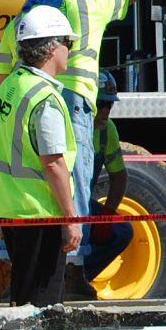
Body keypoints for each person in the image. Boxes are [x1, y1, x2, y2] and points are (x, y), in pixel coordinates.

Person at [0, 0, 166, 270]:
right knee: (76, 178)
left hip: (28, 100)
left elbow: (5, 75)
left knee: (33, 179)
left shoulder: (21, 20)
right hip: (74, 103)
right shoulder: (92, 4)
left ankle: (22, 260)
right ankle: (75, 265)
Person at [0, 5, 82, 306]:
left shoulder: (12, 85)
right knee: (42, 306)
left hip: (14, 208)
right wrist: (71, 218)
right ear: (52, 47)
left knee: (23, 297)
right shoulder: (45, 97)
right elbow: (53, 163)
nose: (70, 50)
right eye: (68, 43)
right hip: (40, 210)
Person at [64, 73, 132, 299]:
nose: (105, 110)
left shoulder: (107, 131)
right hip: (59, 202)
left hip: (82, 205)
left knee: (122, 231)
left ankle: (77, 278)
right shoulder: (68, 125)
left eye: (110, 105)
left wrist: (108, 213)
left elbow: (119, 176)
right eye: (100, 104)